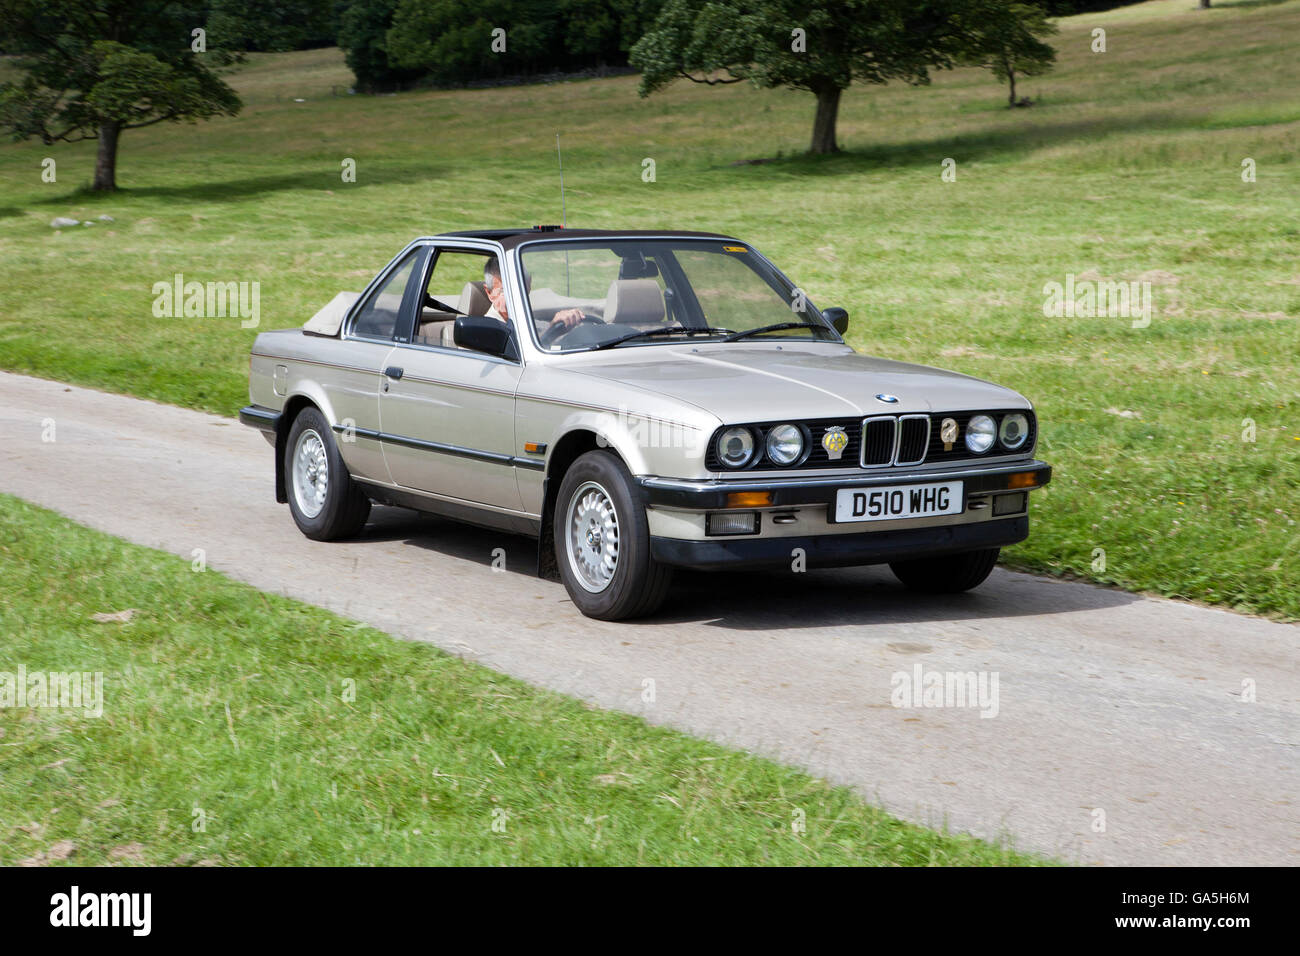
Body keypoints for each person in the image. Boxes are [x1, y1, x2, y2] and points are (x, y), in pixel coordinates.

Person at [482, 258, 586, 334]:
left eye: (520, 289)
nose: (514, 298)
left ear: (529, 284)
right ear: (489, 293)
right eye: (504, 291)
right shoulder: (485, 330)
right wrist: (551, 329)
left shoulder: (532, 323)